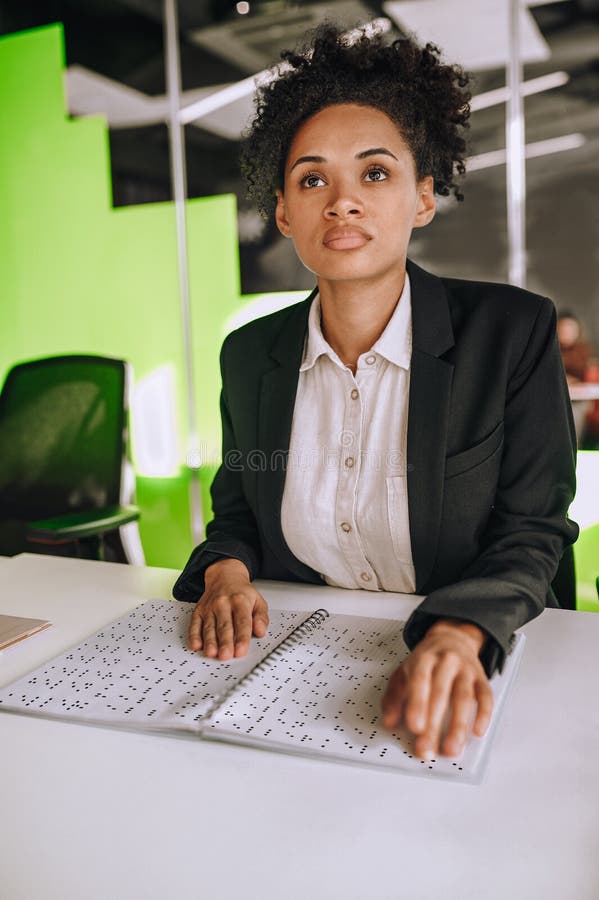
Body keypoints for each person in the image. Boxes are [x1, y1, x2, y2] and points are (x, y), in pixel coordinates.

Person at [173, 24, 578, 760]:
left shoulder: (509, 332)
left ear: (423, 198)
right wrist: (226, 573)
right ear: (284, 213)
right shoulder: (249, 355)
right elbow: (237, 508)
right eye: (312, 179)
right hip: (295, 666)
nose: (342, 202)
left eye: (376, 173)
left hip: (472, 661)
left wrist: (458, 633)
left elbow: (534, 532)